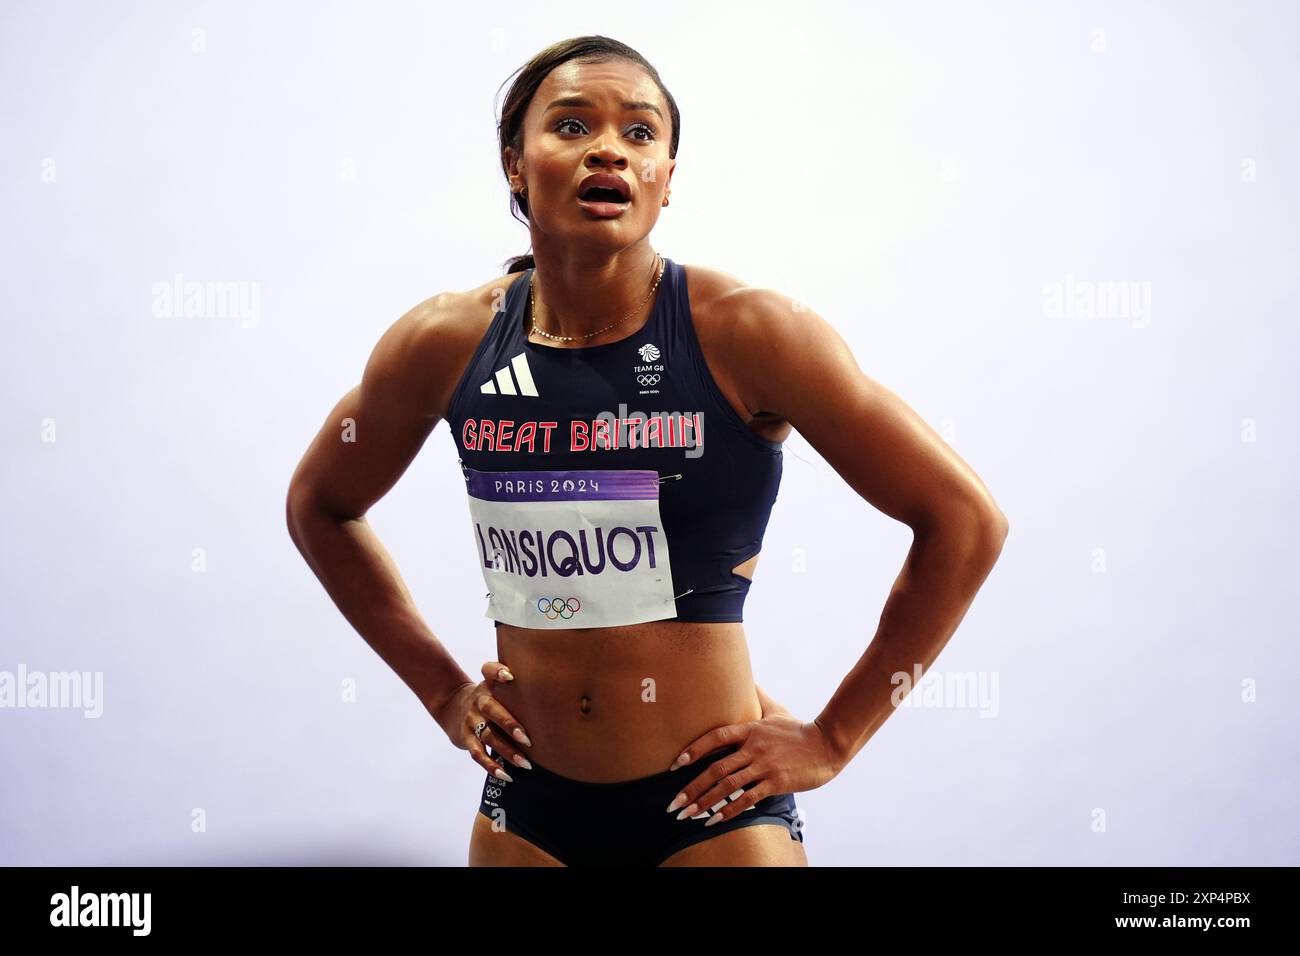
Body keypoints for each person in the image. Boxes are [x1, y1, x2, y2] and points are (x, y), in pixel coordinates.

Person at [285, 35, 1009, 867]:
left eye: (640, 133)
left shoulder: (750, 332)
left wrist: (836, 738)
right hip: (526, 810)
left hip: (713, 810)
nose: (609, 149)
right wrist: (444, 693)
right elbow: (320, 505)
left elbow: (964, 520)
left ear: (668, 176)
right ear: (515, 166)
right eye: (571, 124)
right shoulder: (444, 343)